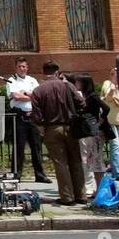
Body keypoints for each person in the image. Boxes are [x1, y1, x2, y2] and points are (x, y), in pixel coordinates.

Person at [30, 62, 86, 206]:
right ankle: (81, 195)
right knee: (76, 161)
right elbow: (81, 102)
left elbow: (36, 115)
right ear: (57, 72)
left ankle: (67, 197)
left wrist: (41, 127)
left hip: (51, 128)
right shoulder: (67, 85)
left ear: (43, 73)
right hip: (71, 126)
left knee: (61, 163)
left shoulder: (38, 90)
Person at [6, 58, 50, 182]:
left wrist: (25, 94)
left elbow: (38, 96)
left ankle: (40, 174)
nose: (22, 69)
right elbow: (16, 96)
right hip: (19, 116)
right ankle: (16, 174)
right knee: (18, 147)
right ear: (16, 67)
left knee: (36, 146)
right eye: (20, 66)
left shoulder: (32, 80)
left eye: (24, 66)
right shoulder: (11, 80)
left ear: (27, 67)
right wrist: (29, 95)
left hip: (33, 116)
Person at [76, 74, 110, 198]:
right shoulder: (84, 96)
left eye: (79, 82)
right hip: (89, 131)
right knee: (92, 160)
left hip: (95, 131)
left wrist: (100, 120)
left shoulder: (93, 96)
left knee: (97, 160)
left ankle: (100, 189)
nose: (77, 84)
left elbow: (106, 108)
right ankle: (97, 189)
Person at [100, 69, 119, 181]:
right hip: (109, 120)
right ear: (113, 75)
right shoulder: (108, 83)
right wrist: (112, 89)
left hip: (117, 119)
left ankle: (114, 169)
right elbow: (107, 98)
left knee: (115, 145)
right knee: (115, 144)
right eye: (118, 75)